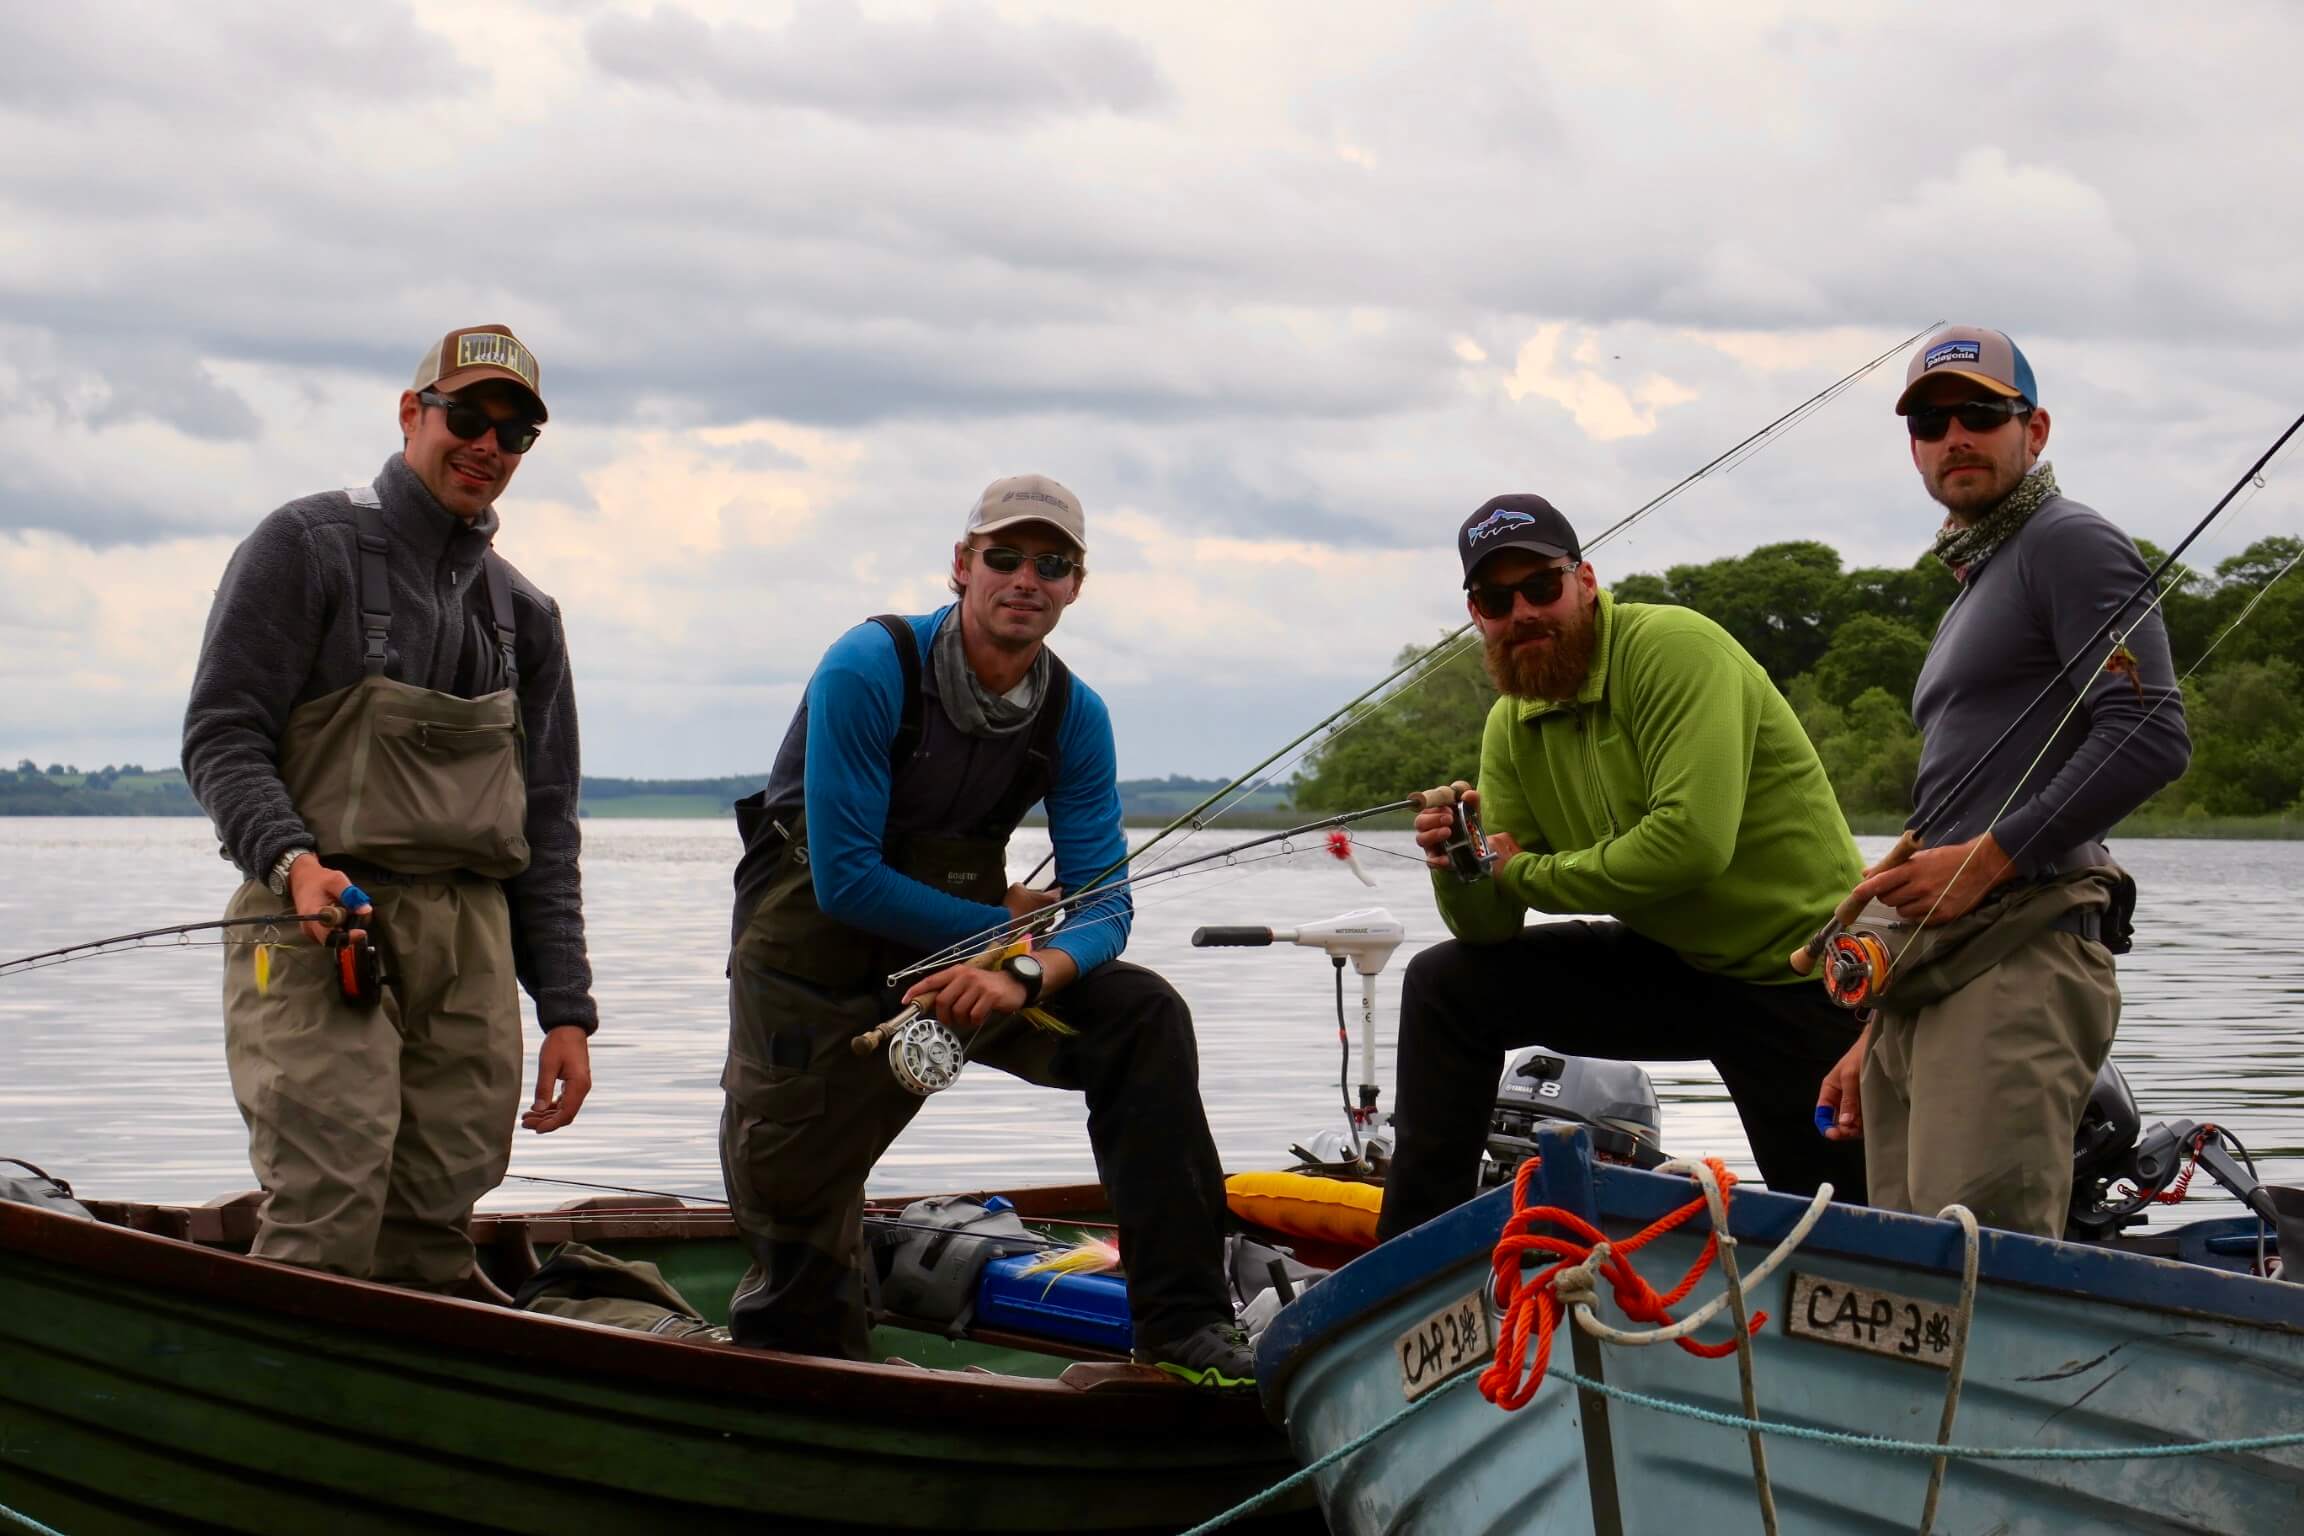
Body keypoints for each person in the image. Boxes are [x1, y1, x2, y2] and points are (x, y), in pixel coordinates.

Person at [721, 474, 1252, 1387]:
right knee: (792, 1244)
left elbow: (1107, 907)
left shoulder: (1076, 715)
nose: (1025, 579)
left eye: (1052, 564)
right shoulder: (868, 666)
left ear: (1076, 585)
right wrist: (997, 930)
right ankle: (805, 1372)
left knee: (1142, 1017)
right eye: (1004, 557)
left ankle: (1184, 1326)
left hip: (981, 969)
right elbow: (847, 879)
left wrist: (1026, 971)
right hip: (812, 968)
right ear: (962, 566)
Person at [182, 324, 596, 1292]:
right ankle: (279, 1376)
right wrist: (292, 862)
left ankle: (410, 1378)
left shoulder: (528, 617)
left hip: (473, 940)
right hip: (322, 923)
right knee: (328, 1197)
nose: (488, 445)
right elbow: (221, 736)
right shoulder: (304, 546)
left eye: (515, 433)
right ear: (413, 414)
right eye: (468, 417)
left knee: (437, 1212)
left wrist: (567, 1009)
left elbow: (546, 828)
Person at [1376, 495, 1867, 1242]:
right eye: (1497, 600)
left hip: (1800, 976)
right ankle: (1418, 1260)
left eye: (1541, 587)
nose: (1523, 613)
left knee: (1840, 1234)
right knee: (1447, 986)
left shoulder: (1675, 649)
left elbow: (1691, 845)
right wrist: (1458, 862)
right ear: (1476, 615)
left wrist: (1518, 871)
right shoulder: (1512, 718)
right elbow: (1488, 927)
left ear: (1585, 581)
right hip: (1679, 966)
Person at [1814, 325, 2189, 1237]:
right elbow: (1964, 808)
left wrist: (1990, 860)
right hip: (1934, 976)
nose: (1955, 436)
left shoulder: (2070, 543)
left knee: (1976, 1266)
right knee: (1905, 1277)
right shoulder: (1980, 580)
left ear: (2036, 428)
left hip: (2021, 957)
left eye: (1981, 413)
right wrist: (1880, 1027)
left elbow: (2151, 731)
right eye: (1930, 421)